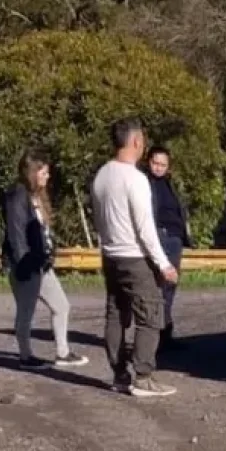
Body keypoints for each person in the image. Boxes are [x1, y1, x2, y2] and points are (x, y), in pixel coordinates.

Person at [92, 118, 180, 397]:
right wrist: (164, 264)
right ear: (135, 142)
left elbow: (98, 219)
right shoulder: (135, 179)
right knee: (151, 314)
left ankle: (119, 374)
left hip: (110, 255)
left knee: (116, 314)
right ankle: (143, 377)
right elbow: (145, 228)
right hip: (133, 256)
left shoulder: (101, 176)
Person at [1, 150, 88, 369]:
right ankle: (25, 356)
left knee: (62, 306)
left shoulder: (37, 196)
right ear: (32, 171)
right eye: (44, 172)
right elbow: (16, 233)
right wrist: (23, 263)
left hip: (42, 263)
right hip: (25, 264)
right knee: (26, 311)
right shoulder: (17, 195)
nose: (47, 176)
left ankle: (63, 353)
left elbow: (42, 231)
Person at [145, 145, 194, 350]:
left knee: (170, 287)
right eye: (155, 163)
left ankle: (166, 330)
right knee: (160, 287)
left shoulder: (169, 184)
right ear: (149, 162)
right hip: (160, 237)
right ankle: (157, 335)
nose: (159, 168)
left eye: (163, 164)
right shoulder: (145, 184)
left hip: (174, 239)